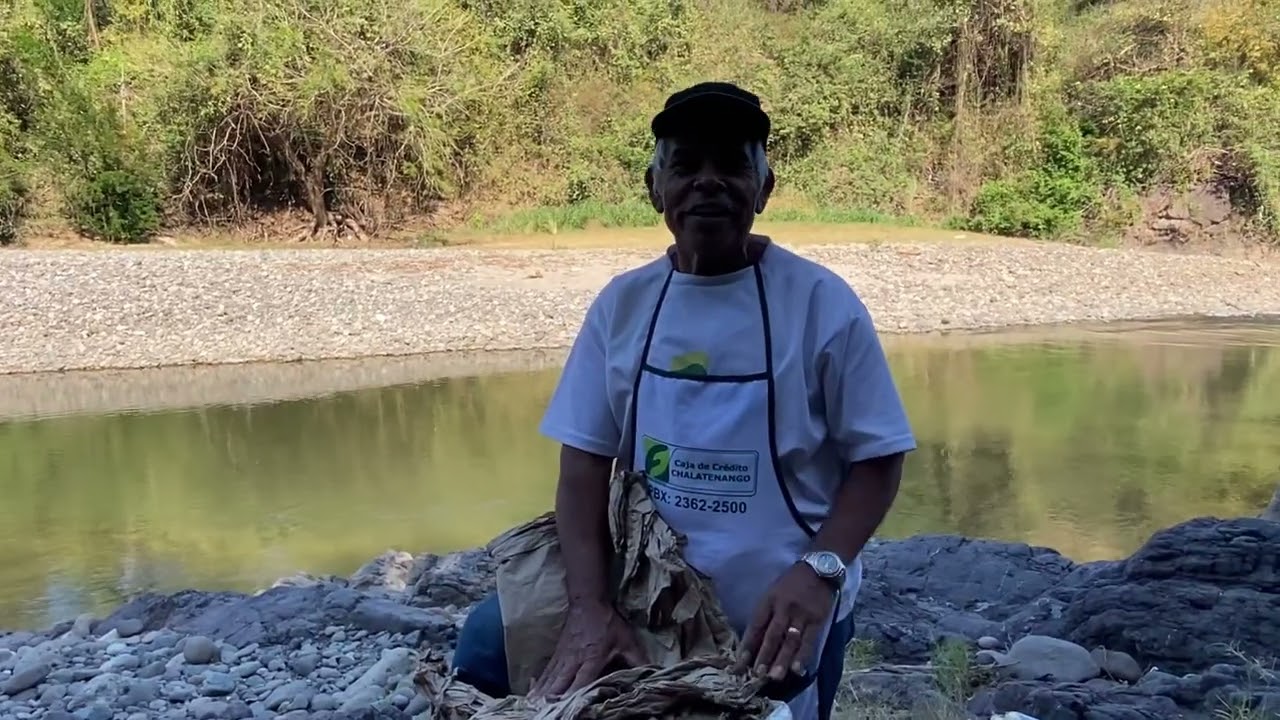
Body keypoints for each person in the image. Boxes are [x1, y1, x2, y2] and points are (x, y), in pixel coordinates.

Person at [451, 81, 917, 720]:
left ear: (765, 186)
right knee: (483, 645)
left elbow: (879, 460)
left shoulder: (820, 305)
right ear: (654, 188)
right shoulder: (623, 305)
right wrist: (591, 607)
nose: (709, 181)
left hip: (780, 603)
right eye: (686, 165)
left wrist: (820, 573)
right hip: (643, 590)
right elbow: (583, 468)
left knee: (774, 697)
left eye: (731, 165)